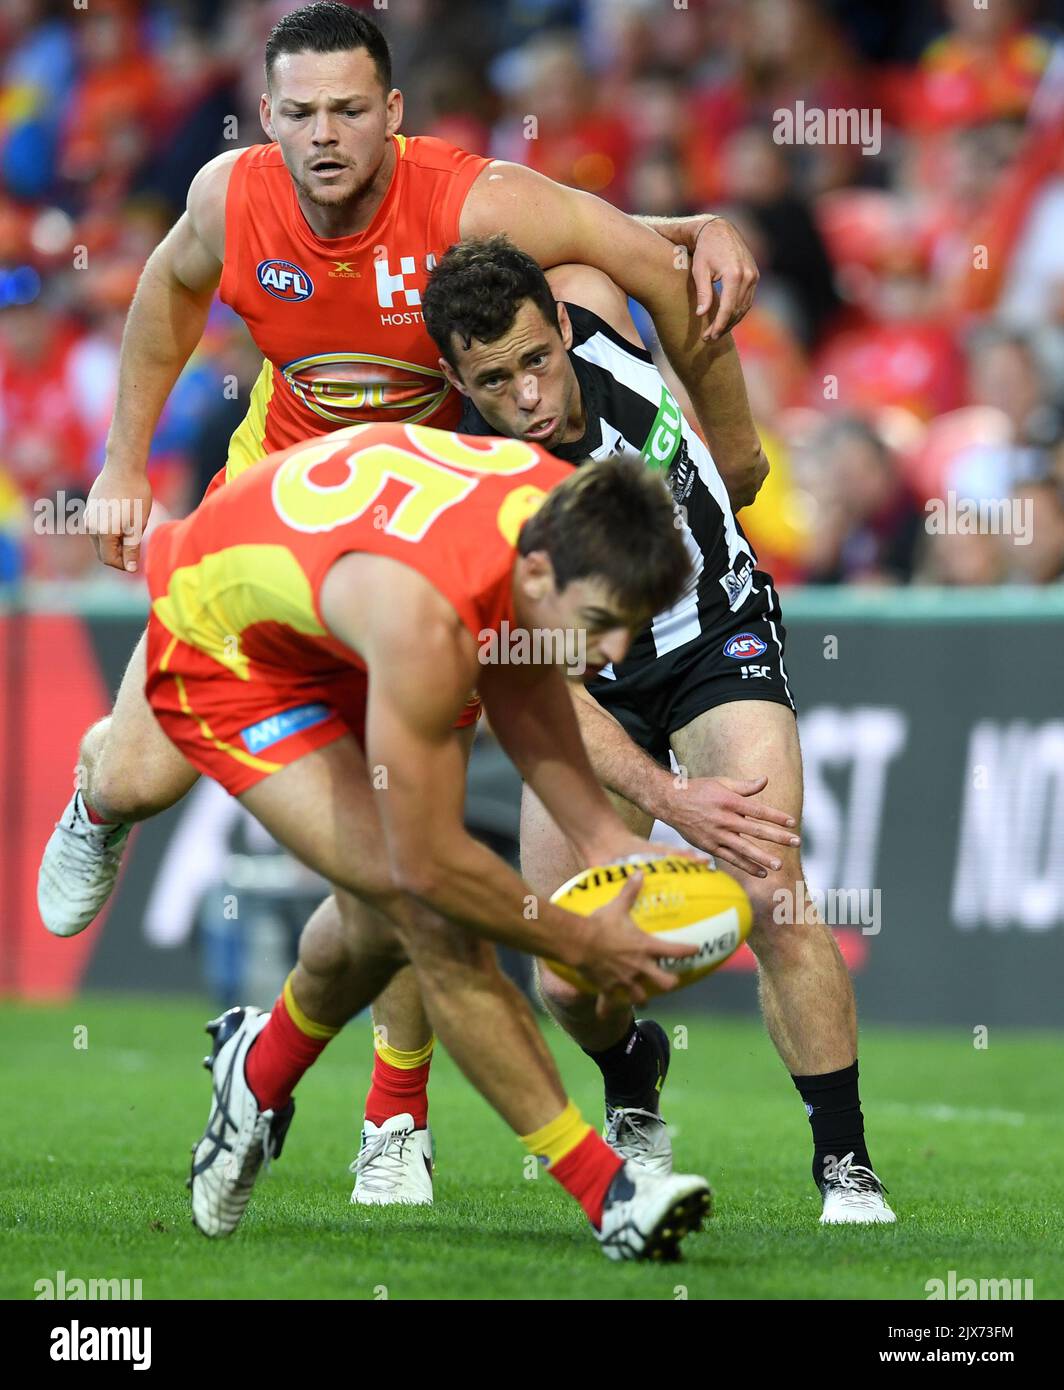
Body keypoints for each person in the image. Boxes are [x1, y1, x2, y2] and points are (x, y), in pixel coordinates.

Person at [39, 0, 762, 940]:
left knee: (408, 845)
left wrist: (736, 449)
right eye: (300, 114)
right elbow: (172, 283)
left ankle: (396, 1093)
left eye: (348, 110)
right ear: (267, 117)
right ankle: (96, 799)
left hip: (419, 530)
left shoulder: (470, 204)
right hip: (270, 506)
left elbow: (639, 259)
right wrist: (123, 465)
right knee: (139, 780)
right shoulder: (228, 198)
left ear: (393, 111)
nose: (324, 135)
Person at [341, 235, 889, 1226]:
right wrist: (670, 797)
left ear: (559, 323)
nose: (528, 396)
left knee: (772, 888)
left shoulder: (597, 297)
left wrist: (736, 444)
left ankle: (844, 1167)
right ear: (460, 383)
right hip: (583, 682)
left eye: (535, 360)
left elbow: (662, 272)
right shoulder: (488, 499)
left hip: (714, 634)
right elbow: (540, 691)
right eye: (493, 381)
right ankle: (628, 1066)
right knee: (569, 973)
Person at [144, 418, 709, 1260]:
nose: (618, 650)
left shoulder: (547, 517)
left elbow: (520, 671)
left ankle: (255, 1074)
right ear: (545, 571)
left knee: (378, 921)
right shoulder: (425, 620)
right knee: (424, 914)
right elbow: (432, 867)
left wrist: (605, 841)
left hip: (334, 612)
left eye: (632, 625)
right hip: (229, 653)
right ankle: (612, 1194)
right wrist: (581, 939)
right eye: (603, 620)